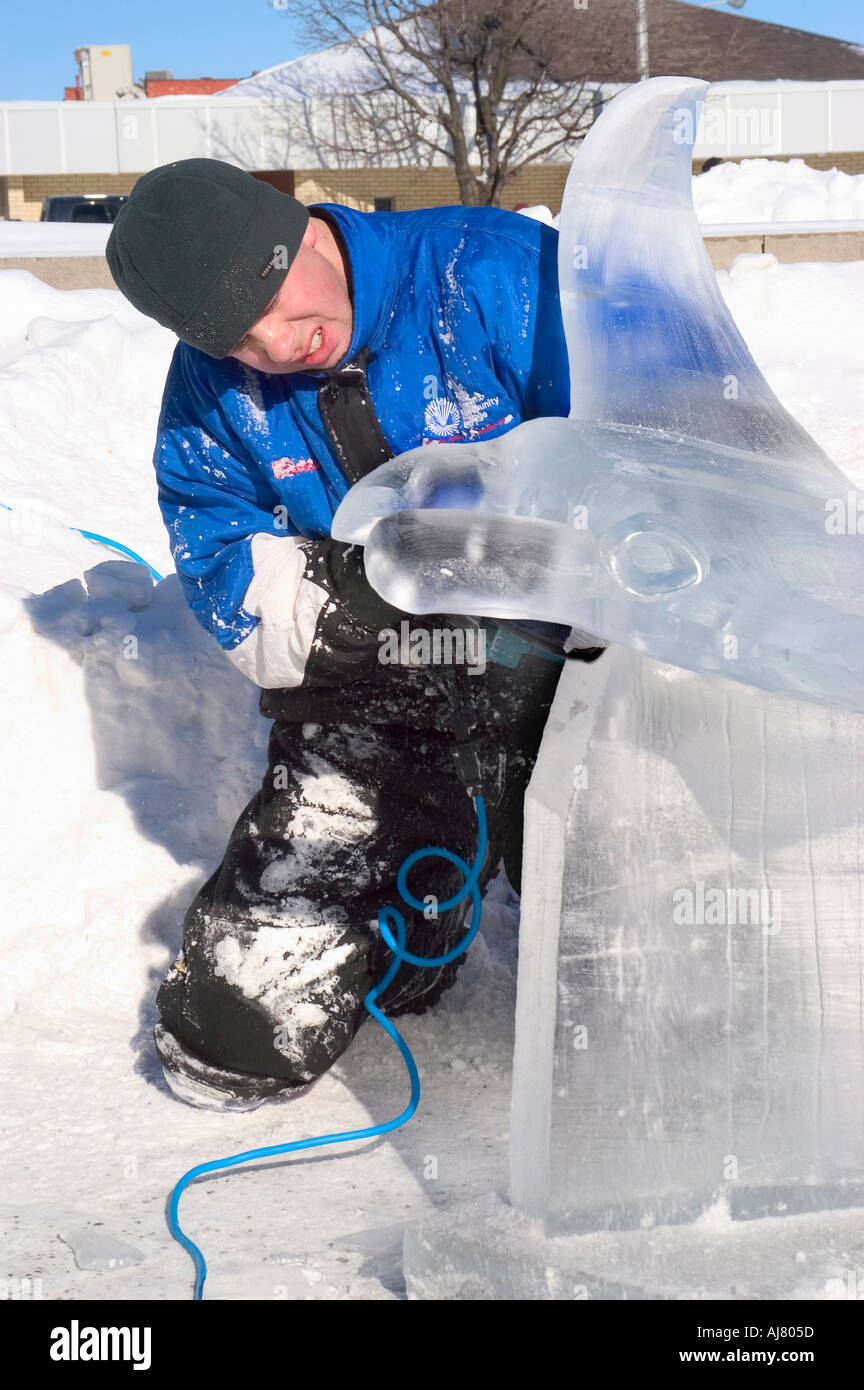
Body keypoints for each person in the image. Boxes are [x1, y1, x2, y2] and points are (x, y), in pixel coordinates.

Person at [106, 158, 603, 1112]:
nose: (274, 348)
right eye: (236, 342)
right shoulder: (213, 386)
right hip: (377, 683)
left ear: (295, 229)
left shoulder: (499, 274)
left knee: (650, 987)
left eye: (271, 302)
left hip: (581, 671)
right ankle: (427, 891)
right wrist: (335, 612)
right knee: (233, 1039)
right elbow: (213, 539)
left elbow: (655, 451)